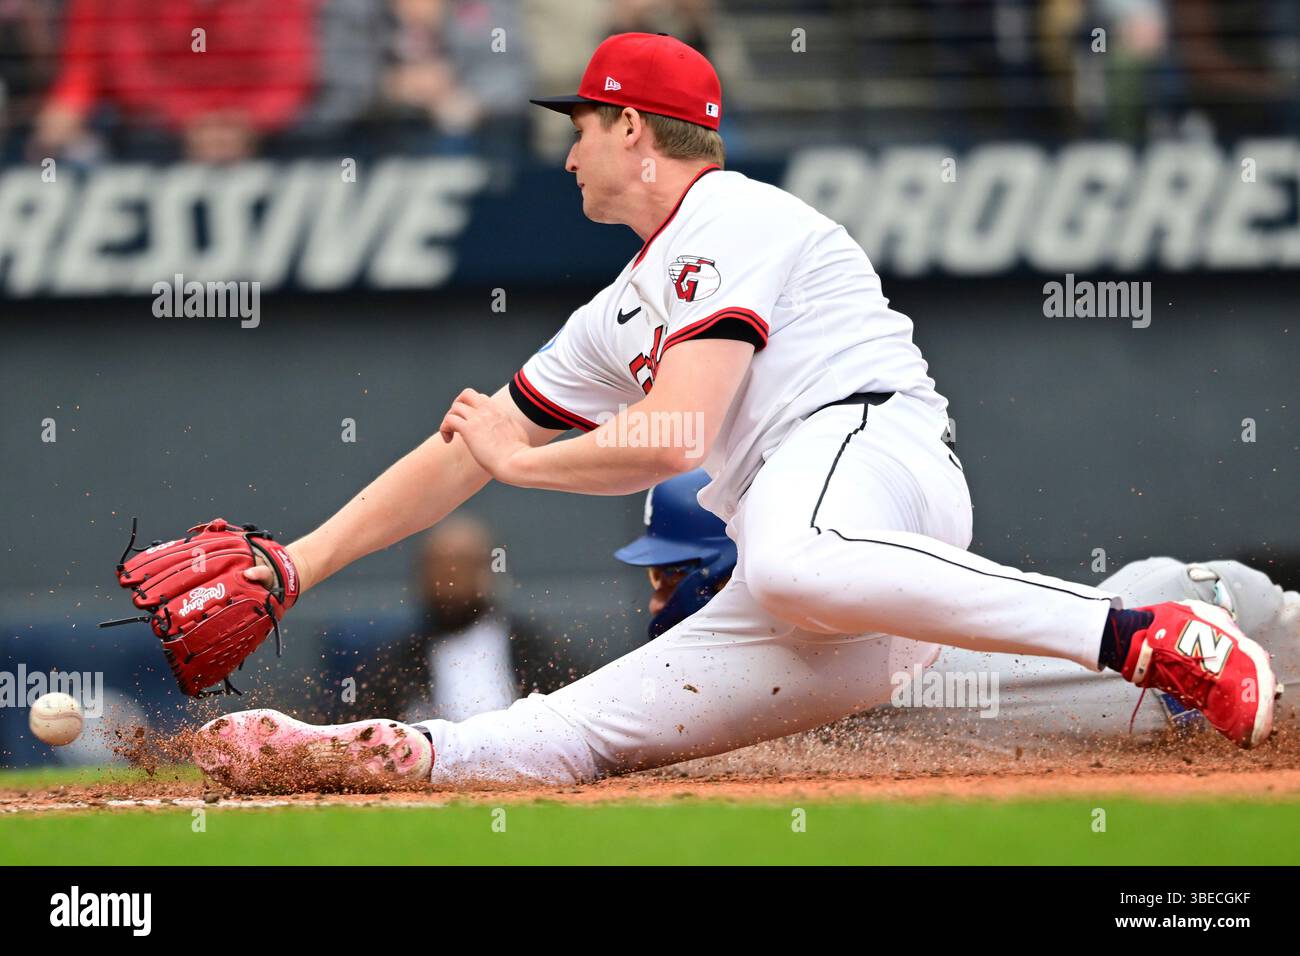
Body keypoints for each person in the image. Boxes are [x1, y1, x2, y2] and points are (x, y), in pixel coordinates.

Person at [192, 33, 1281, 792]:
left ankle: (1139, 634)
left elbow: (672, 434)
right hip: (824, 572)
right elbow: (464, 453)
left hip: (864, 451)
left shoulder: (731, 212)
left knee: (795, 556)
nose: (566, 152)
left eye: (579, 126)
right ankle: (352, 750)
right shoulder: (622, 305)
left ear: (631, 127)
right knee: (579, 730)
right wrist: (298, 561)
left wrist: (519, 462)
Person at [617, 471, 1300, 746]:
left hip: (1200, 622)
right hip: (1170, 684)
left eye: (667, 574)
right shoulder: (779, 677)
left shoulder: (834, 618)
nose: (655, 599)